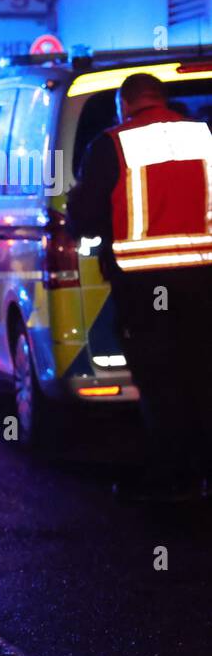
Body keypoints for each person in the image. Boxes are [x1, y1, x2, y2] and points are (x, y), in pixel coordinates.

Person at [67, 72, 212, 505]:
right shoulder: (204, 137)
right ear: (162, 99)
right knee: (202, 376)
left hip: (146, 286)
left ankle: (172, 479)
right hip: (205, 281)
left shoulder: (113, 144)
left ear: (123, 105)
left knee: (160, 382)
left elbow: (86, 215)